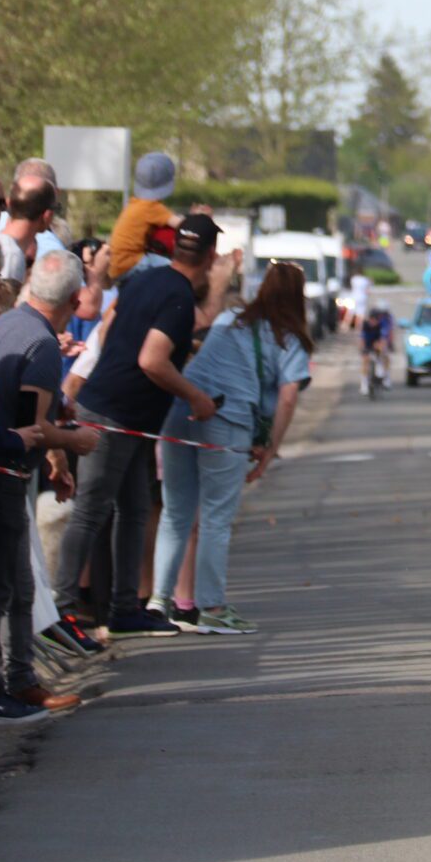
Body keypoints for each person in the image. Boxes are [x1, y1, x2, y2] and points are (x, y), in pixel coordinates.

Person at [54, 215, 227, 636]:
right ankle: (60, 611)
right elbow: (152, 359)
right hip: (113, 415)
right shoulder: (179, 298)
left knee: (134, 510)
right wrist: (195, 396)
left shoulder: (144, 280)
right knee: (91, 511)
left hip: (125, 414)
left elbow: (110, 326)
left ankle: (124, 608)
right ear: (210, 255)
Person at [150, 262, 312, 635]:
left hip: (180, 411)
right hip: (229, 420)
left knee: (175, 513)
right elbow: (288, 397)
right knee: (215, 518)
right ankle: (212, 606)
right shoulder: (289, 339)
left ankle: (159, 602)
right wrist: (270, 448)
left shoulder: (228, 320)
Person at [0, 251, 98, 722]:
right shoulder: (42, 343)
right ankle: (2, 690)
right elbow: (34, 428)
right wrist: (74, 440)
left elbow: (27, 415)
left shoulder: (8, 324)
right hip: (3, 478)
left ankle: (20, 681)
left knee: (19, 587)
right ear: (74, 301)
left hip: (7, 475)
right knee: (4, 589)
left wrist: (56, 439)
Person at [107, 152, 190, 282]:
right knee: (177, 270)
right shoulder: (152, 207)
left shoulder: (135, 203)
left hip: (115, 264)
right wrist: (197, 218)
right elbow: (182, 225)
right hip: (130, 262)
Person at [360, 299, 393, 395]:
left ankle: (384, 375)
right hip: (368, 342)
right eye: (372, 320)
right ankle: (364, 383)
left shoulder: (382, 324)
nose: (373, 322)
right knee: (365, 360)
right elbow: (362, 339)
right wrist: (363, 350)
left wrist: (384, 348)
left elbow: (383, 338)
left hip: (377, 342)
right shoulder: (365, 325)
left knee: (384, 355)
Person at [346, 265, 372, 331]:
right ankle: (358, 327)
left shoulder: (354, 279)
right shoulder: (365, 279)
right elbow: (368, 290)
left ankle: (345, 325)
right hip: (362, 297)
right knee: (360, 313)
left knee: (350, 312)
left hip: (353, 296)